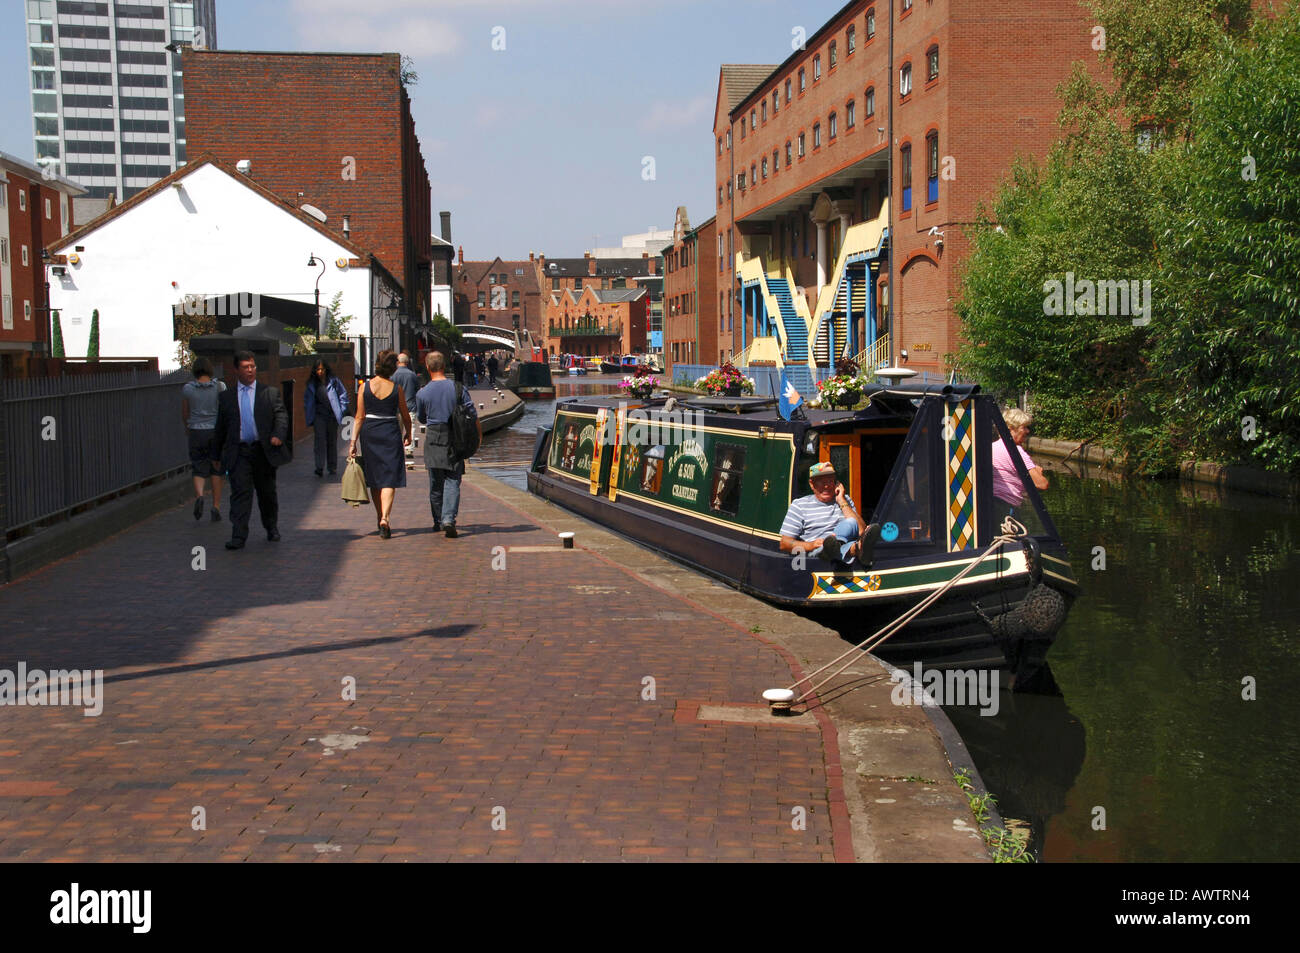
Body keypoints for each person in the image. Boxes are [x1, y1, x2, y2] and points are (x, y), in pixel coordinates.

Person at [215, 350, 290, 550]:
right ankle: (238, 535)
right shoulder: (226, 398)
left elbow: (281, 417)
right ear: (236, 370)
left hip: (262, 452)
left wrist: (277, 435)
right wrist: (215, 455)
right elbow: (220, 428)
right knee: (240, 493)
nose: (250, 370)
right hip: (239, 453)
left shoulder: (269, 393)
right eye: (246, 367)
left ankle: (271, 527)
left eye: (253, 366)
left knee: (267, 494)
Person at [414, 350, 480, 537]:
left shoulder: (422, 393)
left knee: (435, 482)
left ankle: (438, 520)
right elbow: (472, 412)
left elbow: (421, 418)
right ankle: (448, 518)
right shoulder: (457, 388)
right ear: (444, 366)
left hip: (434, 437)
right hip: (454, 436)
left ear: (427, 367)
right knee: (452, 480)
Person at [348, 349, 412, 538]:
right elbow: (405, 415)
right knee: (389, 477)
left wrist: (353, 442)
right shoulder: (396, 389)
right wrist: (408, 432)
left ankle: (379, 517)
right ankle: (385, 517)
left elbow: (359, 416)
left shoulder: (364, 387)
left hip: (370, 432)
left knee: (375, 478)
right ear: (392, 368)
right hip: (390, 431)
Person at [779, 462, 880, 566]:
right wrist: (811, 545)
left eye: (830, 481)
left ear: (836, 483)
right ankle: (851, 548)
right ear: (811, 484)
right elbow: (784, 543)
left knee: (850, 523)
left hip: (843, 548)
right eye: (821, 482)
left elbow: (861, 531)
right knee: (828, 546)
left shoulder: (845, 501)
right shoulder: (799, 505)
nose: (826, 486)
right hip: (819, 552)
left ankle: (851, 547)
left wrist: (841, 500)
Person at [181, 356, 226, 522]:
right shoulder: (220, 387)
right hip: (214, 431)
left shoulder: (188, 389)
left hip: (196, 432)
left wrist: (188, 428)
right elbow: (223, 409)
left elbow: (185, 412)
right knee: (216, 469)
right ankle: (216, 506)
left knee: (198, 466)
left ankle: (199, 496)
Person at [992, 407, 1049, 522]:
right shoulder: (1015, 451)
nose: (1028, 431)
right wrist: (1037, 471)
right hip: (1007, 510)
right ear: (1010, 429)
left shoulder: (992, 447)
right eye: (1024, 427)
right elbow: (1042, 484)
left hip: (993, 506)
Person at [304, 358, 348, 477]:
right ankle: (319, 467)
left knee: (331, 442)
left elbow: (343, 395)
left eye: (322, 369)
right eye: (318, 369)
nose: (320, 372)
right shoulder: (312, 384)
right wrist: (309, 415)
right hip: (319, 416)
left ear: (326, 369)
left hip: (332, 416)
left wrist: (341, 411)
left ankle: (332, 466)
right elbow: (307, 400)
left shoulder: (333, 381)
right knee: (319, 441)